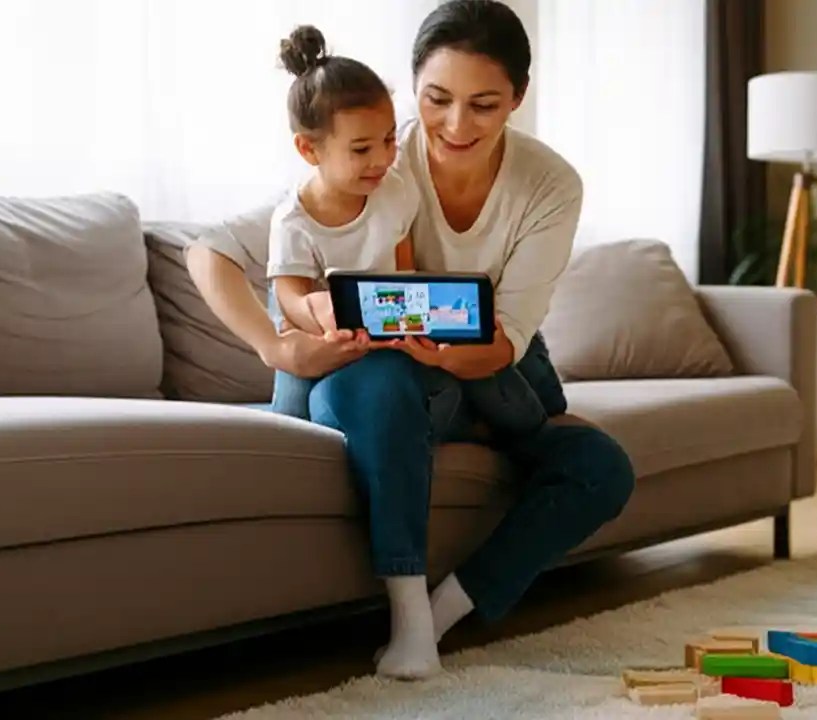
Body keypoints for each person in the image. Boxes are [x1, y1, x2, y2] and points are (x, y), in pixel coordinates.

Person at [188, 0, 634, 680]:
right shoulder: (369, 153)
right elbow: (211, 252)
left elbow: (508, 335)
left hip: (495, 368)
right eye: (437, 99)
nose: (456, 126)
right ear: (413, 90)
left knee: (603, 467)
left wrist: (451, 357)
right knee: (379, 382)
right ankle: (408, 612)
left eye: (484, 104)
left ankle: (447, 604)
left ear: (518, 96)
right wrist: (277, 348)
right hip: (389, 377)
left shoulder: (548, 184)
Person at [266, 24, 552, 444]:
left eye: (388, 140)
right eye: (363, 149)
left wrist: (416, 317)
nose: (383, 159)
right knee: (291, 426)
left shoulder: (394, 189)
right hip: (320, 334)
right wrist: (317, 308)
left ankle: (532, 430)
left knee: (478, 374)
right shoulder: (293, 219)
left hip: (386, 331)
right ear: (310, 150)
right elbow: (287, 296)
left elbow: (405, 265)